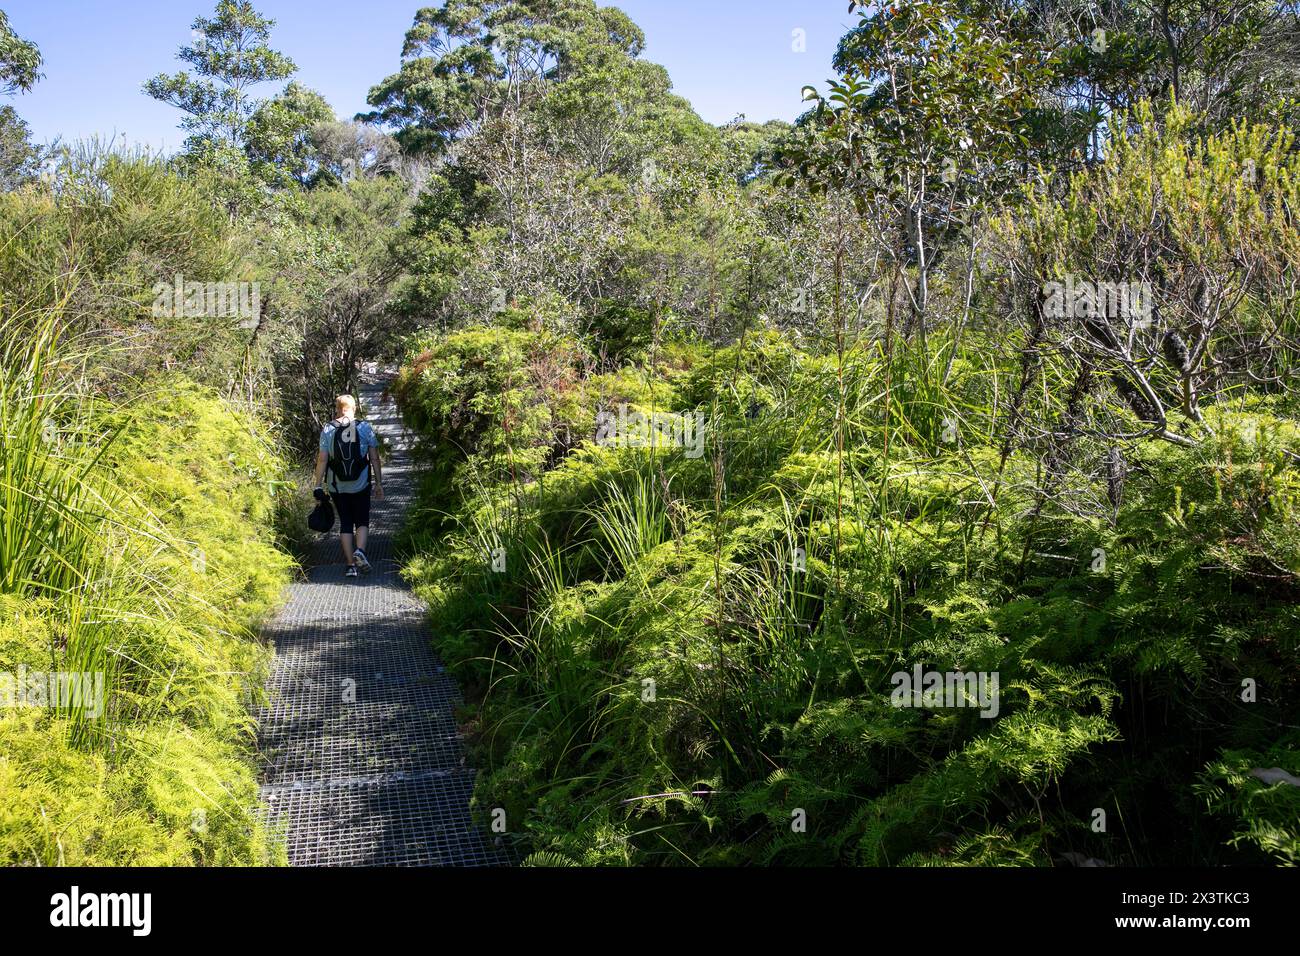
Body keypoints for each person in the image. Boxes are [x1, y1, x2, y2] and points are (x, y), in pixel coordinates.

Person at [313, 394, 384, 578]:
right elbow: (374, 457)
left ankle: (350, 565)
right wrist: (378, 483)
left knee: (345, 521)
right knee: (361, 519)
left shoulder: (328, 428)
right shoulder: (364, 427)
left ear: (338, 409)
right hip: (361, 483)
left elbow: (322, 459)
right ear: (354, 408)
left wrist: (318, 485)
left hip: (337, 485)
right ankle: (360, 550)